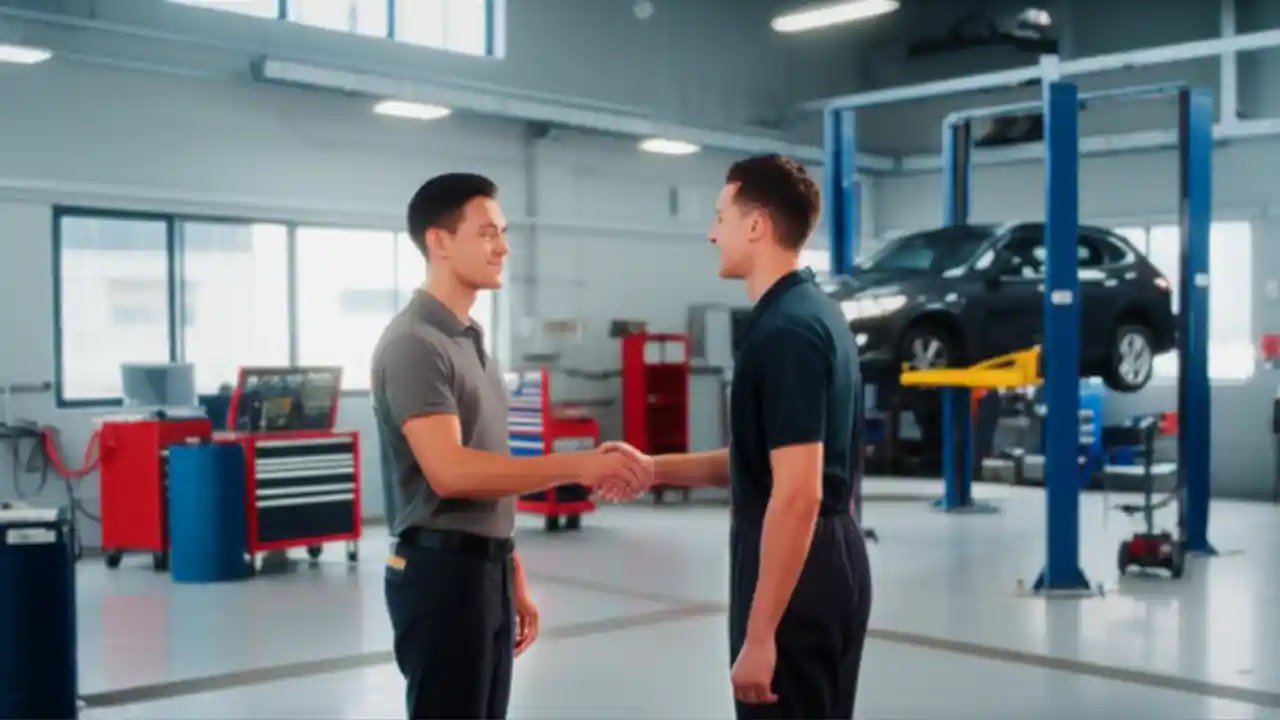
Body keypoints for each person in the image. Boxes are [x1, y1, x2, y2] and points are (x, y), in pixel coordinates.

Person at [600, 154, 873, 719]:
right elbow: (764, 458)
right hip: (828, 553)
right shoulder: (816, 312)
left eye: (720, 215)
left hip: (796, 562)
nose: (711, 232)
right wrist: (655, 469)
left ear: (756, 225)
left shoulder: (785, 333)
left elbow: (797, 494)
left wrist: (761, 634)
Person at [371, 172, 647, 720]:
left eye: (503, 232)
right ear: (439, 242)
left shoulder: (468, 339)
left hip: (482, 571)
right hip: (441, 577)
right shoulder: (414, 344)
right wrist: (579, 465)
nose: (504, 246)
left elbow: (485, 462)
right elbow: (450, 472)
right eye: (487, 232)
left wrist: (507, 560)